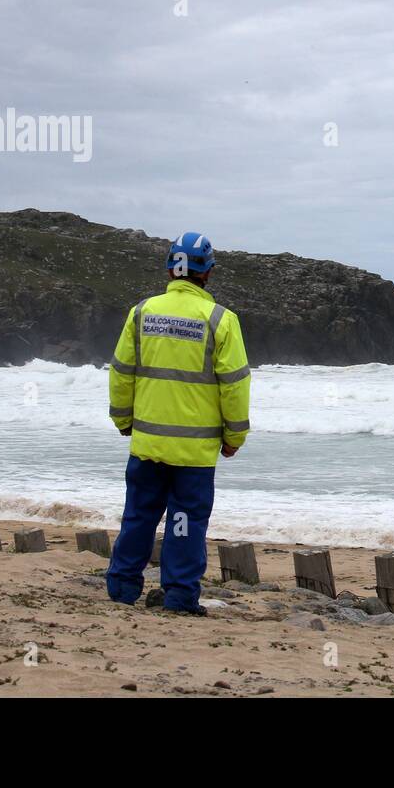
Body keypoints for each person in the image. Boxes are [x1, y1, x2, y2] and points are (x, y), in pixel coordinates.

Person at [105, 231, 251, 614]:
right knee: (184, 522)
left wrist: (123, 419)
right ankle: (180, 596)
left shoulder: (142, 313)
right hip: (194, 452)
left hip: (148, 442)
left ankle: (121, 588)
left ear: (171, 268)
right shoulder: (220, 320)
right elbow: (234, 385)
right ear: (208, 273)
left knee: (139, 514)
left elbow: (122, 372)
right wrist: (235, 435)